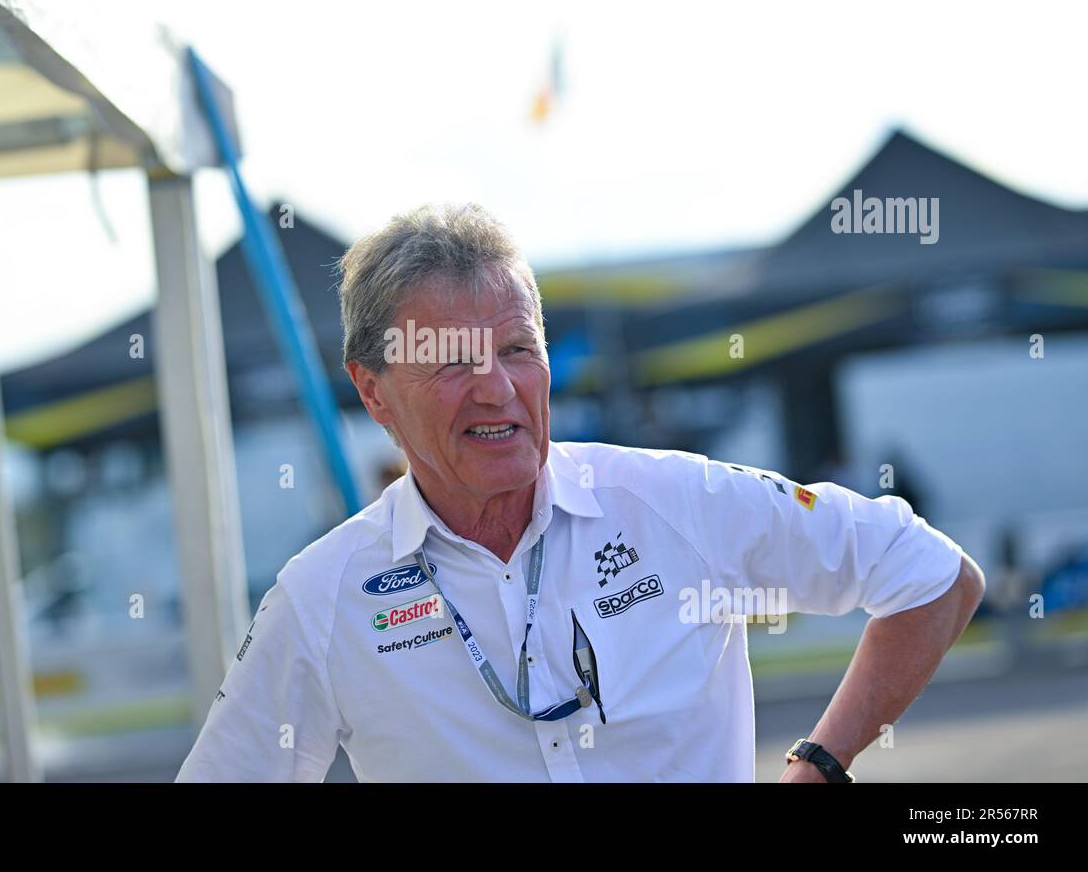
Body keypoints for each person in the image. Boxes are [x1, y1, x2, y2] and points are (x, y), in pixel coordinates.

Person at [177, 204, 985, 782]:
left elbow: (935, 576)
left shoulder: (676, 501)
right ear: (374, 391)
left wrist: (820, 764)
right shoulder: (322, 599)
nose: (497, 388)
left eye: (519, 348)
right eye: (454, 361)